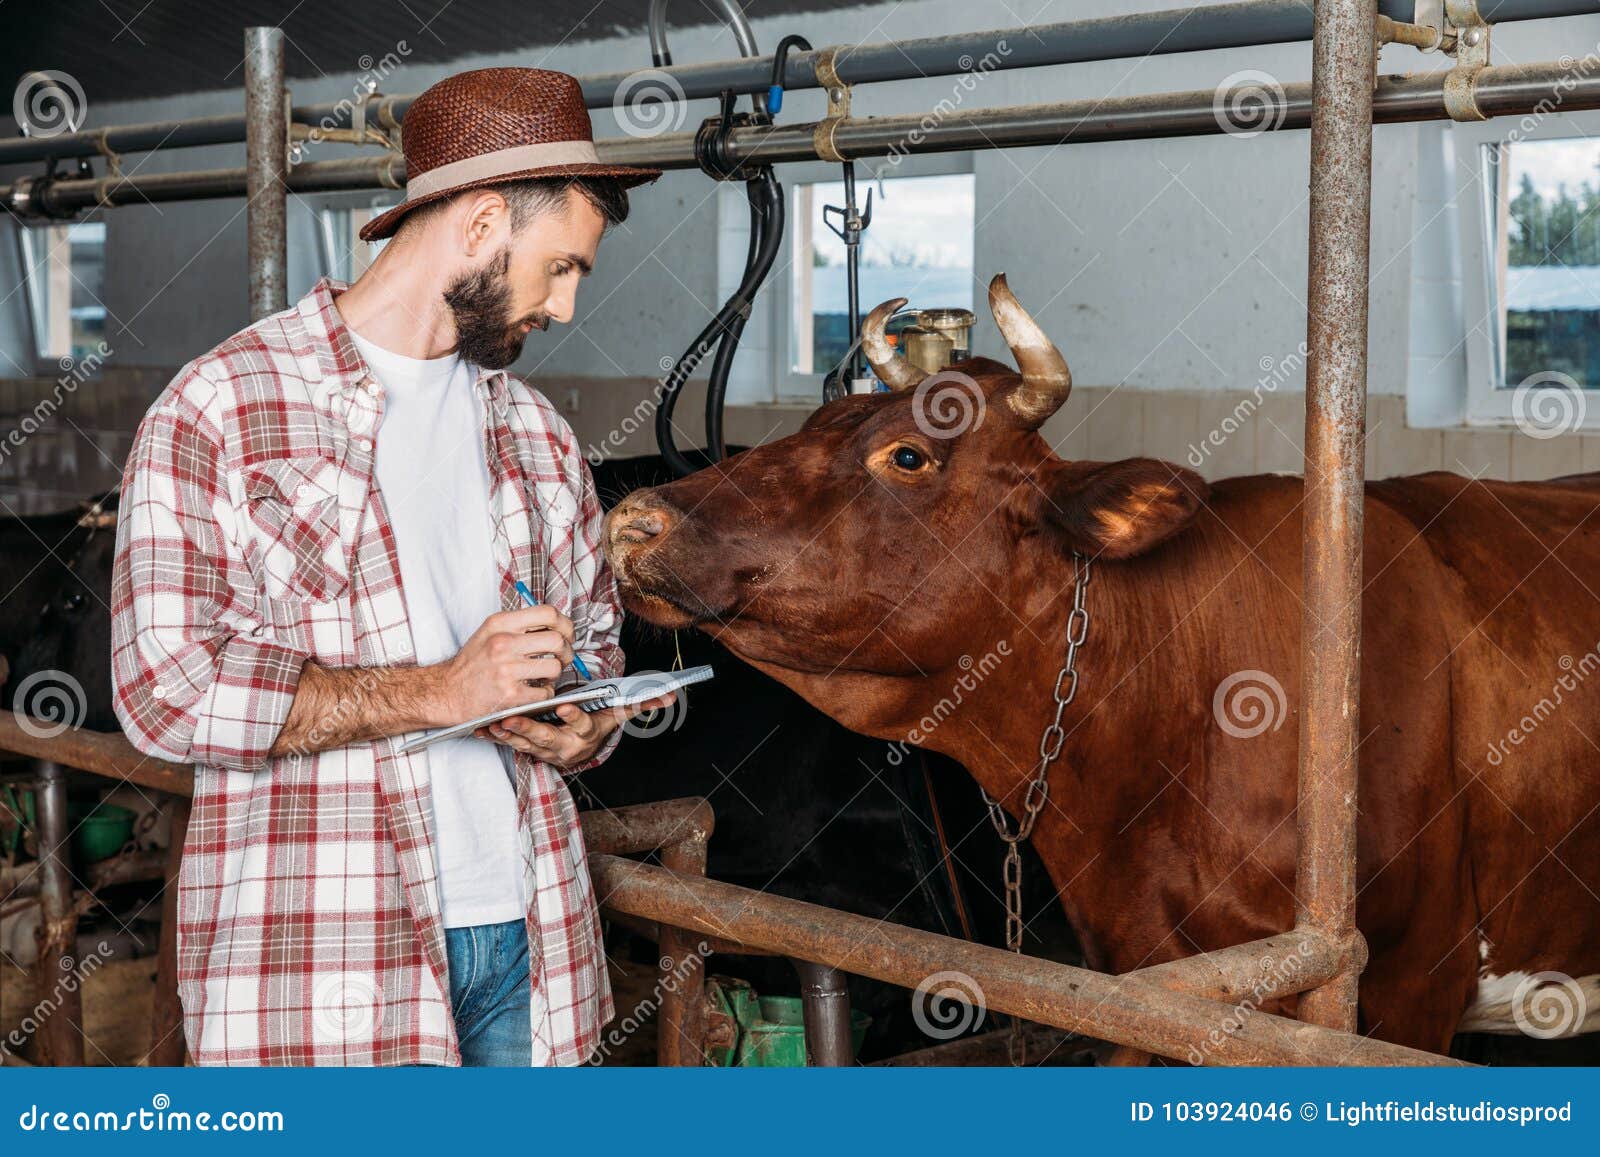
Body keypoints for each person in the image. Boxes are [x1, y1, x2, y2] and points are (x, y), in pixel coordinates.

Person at [111, 67, 668, 1067]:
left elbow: (591, 646)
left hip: (531, 939)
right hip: (328, 954)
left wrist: (584, 716)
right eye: (559, 267)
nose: (569, 305)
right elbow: (167, 692)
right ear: (483, 220)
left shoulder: (535, 433)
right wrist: (442, 690)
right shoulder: (223, 407)